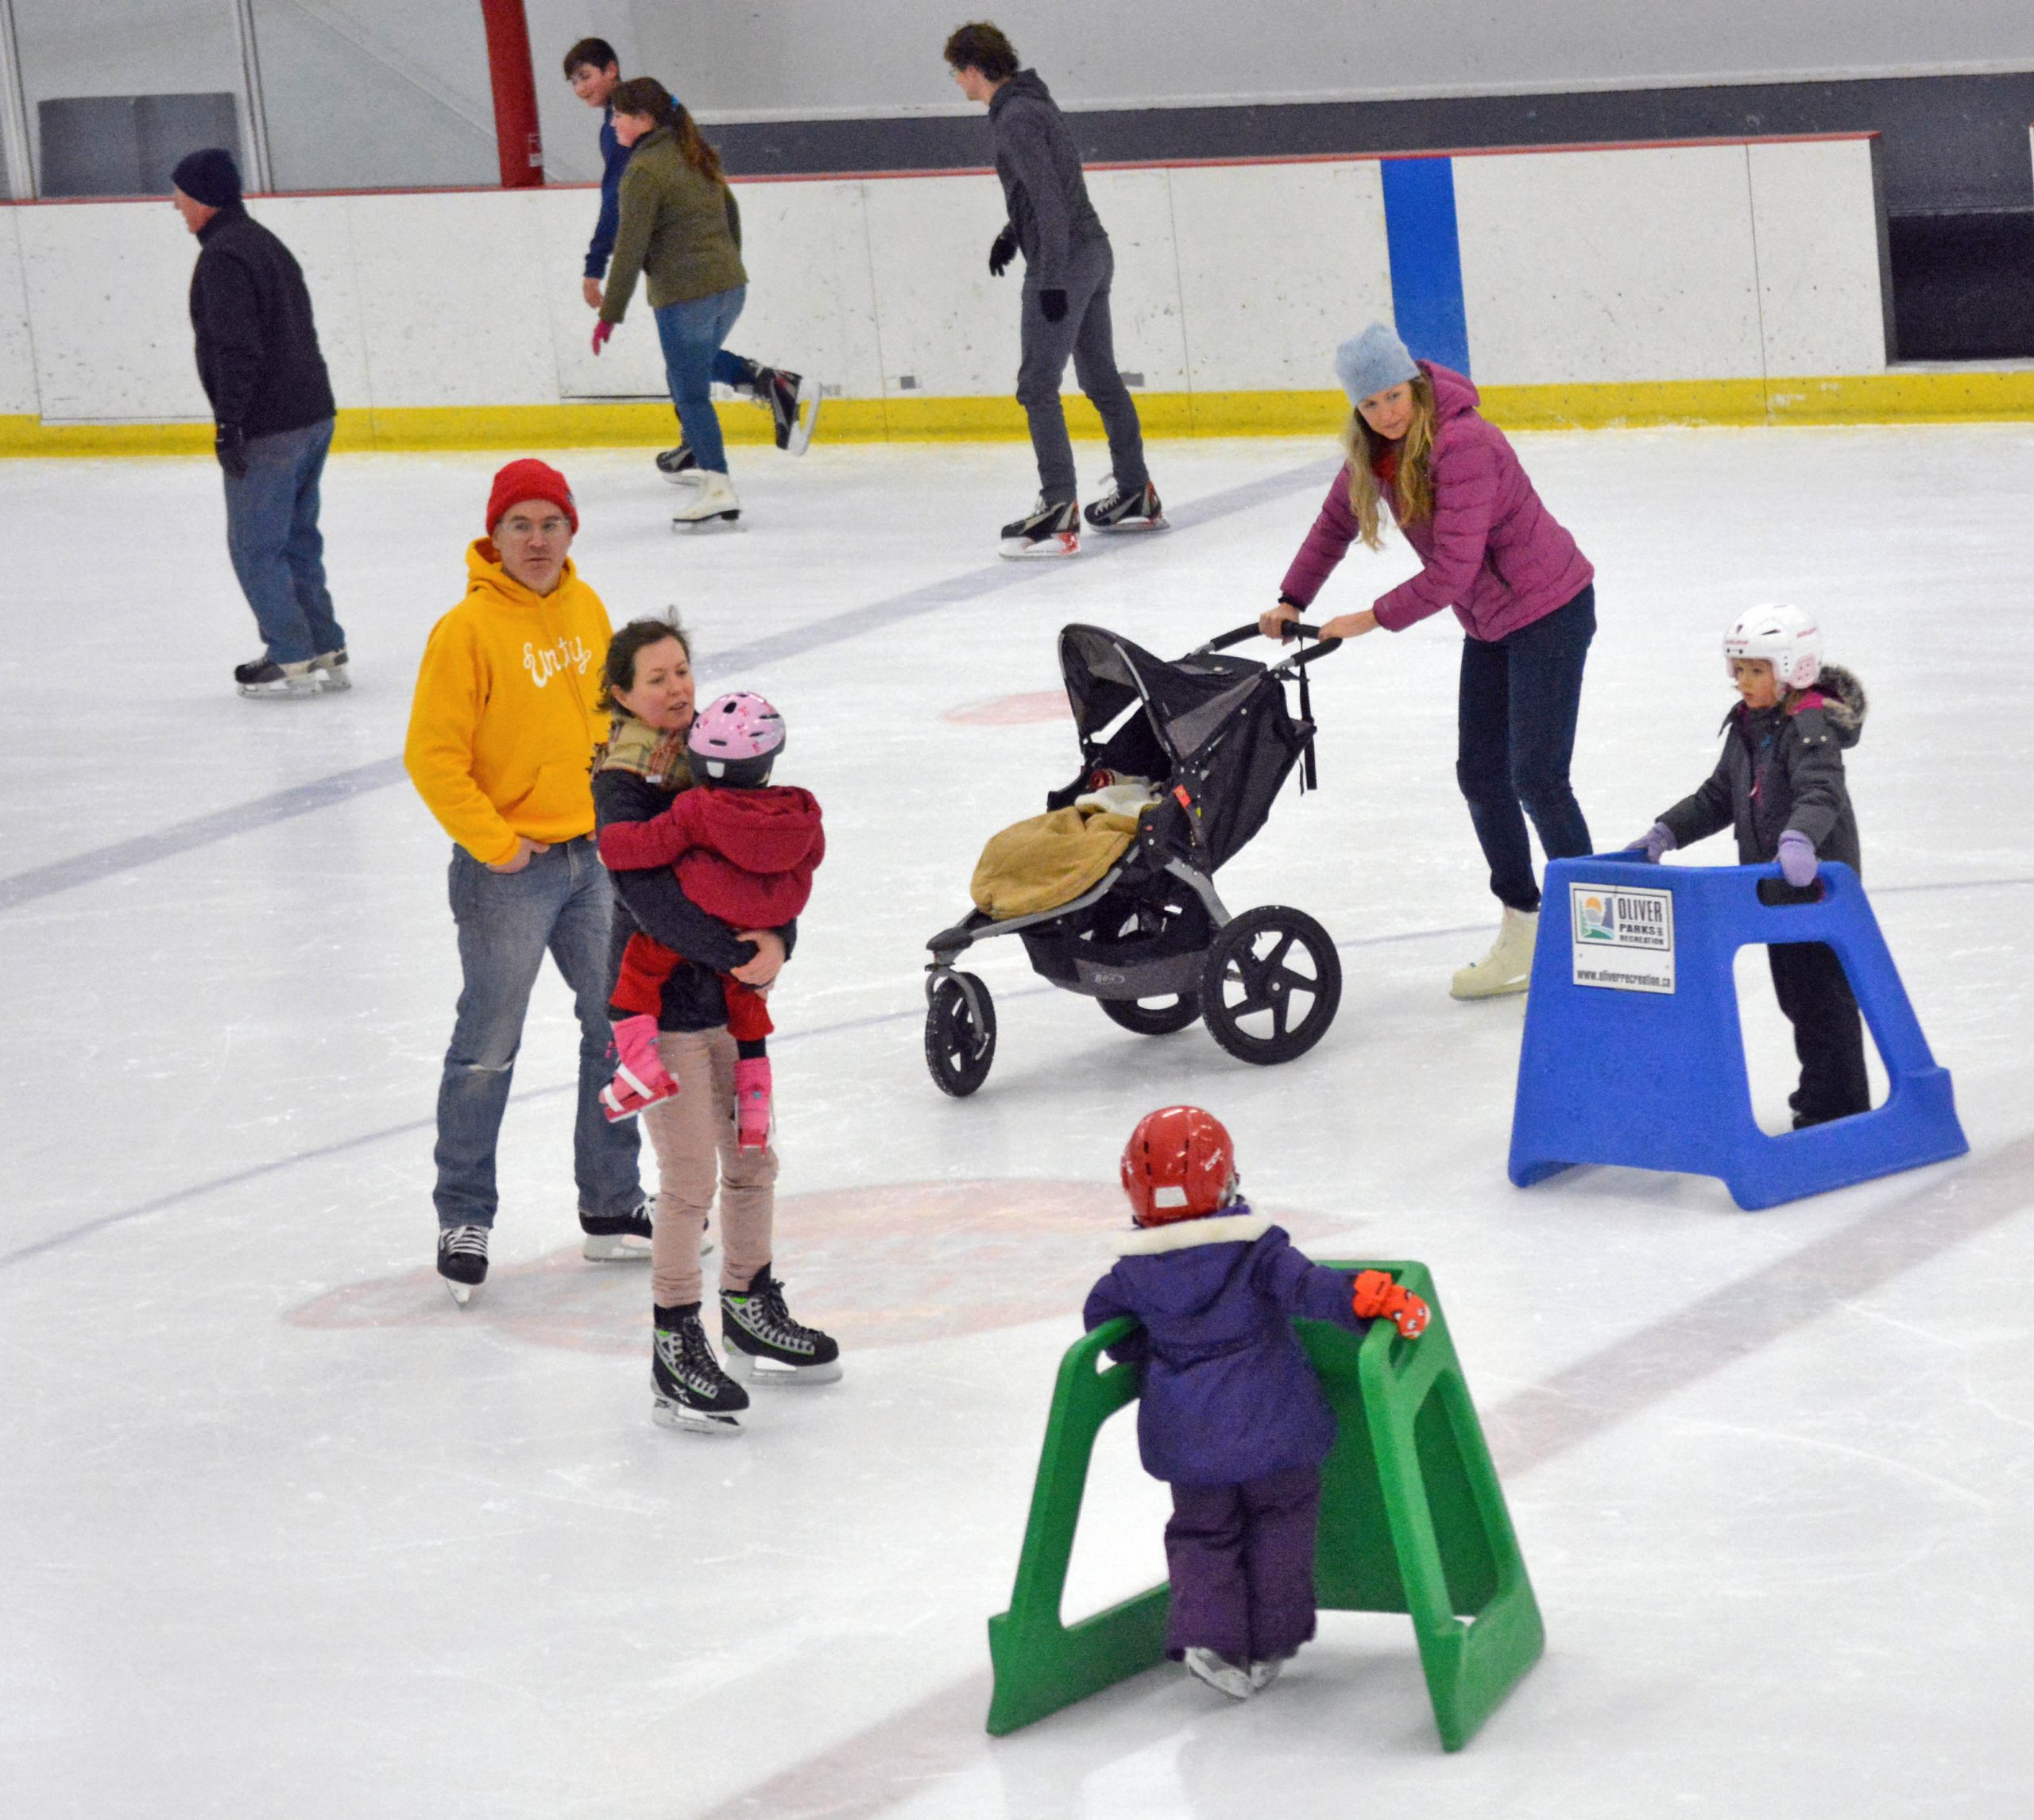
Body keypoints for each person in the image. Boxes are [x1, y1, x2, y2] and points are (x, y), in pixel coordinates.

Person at [1260, 321, 1598, 999]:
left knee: (1537, 776)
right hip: (1493, 621)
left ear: (1414, 383)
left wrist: (1366, 619)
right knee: (1480, 773)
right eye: (1370, 403)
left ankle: (1599, 932)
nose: (1386, 413)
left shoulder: (1464, 442)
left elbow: (1452, 571)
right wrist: (1292, 598)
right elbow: (1334, 523)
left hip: (1551, 609)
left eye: (1394, 396)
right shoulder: (1374, 454)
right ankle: (1525, 923)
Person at [404, 459, 651, 1306]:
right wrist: (497, 844)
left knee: (616, 1029)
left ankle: (613, 1203)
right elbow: (431, 757)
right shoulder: (465, 631)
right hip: (508, 873)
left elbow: (613, 717)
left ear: (571, 530)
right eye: (521, 525)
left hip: (595, 860)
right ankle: (463, 1213)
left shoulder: (587, 608)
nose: (538, 540)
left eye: (551, 523)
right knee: (487, 1045)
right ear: (494, 536)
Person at [1083, 1107, 1429, 1699]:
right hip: (1274, 1430)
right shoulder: (1256, 1251)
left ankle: (1208, 1637)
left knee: (1201, 1530)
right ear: (1227, 1180)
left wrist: (1155, 1351)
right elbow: (1312, 1289)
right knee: (1281, 1522)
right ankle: (1270, 1639)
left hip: (1188, 1439)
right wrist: (1370, 1297)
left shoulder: (1131, 1273)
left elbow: (1106, 1325)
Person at [592, 618, 841, 1434]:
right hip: (663, 1011)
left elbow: (768, 869)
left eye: (681, 672)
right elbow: (648, 899)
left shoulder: (720, 757)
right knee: (690, 1177)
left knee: (753, 1161)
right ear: (621, 693)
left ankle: (748, 1299)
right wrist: (738, 954)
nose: (675, 688)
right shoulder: (622, 783)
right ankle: (675, 1339)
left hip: (730, 1006)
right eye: (655, 677)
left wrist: (778, 941)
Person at [1630, 604, 1872, 1127]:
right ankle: (1824, 1097)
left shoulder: (1811, 726)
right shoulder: (1748, 725)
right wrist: (1666, 832)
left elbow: (1820, 792)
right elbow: (1720, 796)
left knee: (1823, 1000)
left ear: (1791, 670)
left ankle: (1840, 1106)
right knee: (1797, 998)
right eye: (1738, 669)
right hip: (1775, 888)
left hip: (1817, 888)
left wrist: (1800, 839)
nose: (1743, 681)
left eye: (1756, 671)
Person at [943, 21, 1162, 558]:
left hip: (1063, 259)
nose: (957, 83)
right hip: (1093, 249)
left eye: (957, 73)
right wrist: (1010, 233)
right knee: (1099, 376)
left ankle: (1058, 507)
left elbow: (1048, 198)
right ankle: (1136, 493)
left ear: (974, 70)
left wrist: (1053, 277)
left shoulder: (1014, 116)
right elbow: (1050, 187)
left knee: (1037, 385)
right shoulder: (1033, 102)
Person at [564, 41, 819, 489]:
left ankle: (722, 459)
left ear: (612, 71)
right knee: (689, 361)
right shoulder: (672, 127)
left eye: (585, 76)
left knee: (686, 370)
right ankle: (756, 398)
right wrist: (726, 263)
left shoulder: (626, 133)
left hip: (685, 284)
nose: (579, 88)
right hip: (720, 279)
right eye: (573, 81)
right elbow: (726, 202)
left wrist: (596, 268)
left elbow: (620, 212)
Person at [596, 690, 823, 1152]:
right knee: (749, 1003)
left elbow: (640, 849)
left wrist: (612, 844)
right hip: (761, 923)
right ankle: (754, 1111)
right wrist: (772, 934)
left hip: (703, 918)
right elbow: (811, 857)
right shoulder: (799, 812)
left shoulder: (696, 809)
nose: (676, 686)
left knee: (638, 965)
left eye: (681, 672)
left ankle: (639, 1068)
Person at [172, 147, 347, 700]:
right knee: (297, 539)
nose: (175, 205)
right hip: (311, 413)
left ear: (202, 198)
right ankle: (325, 646)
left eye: (180, 194)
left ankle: (290, 654)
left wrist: (230, 423)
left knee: (255, 546)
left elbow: (236, 349)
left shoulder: (224, 258)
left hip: (269, 424)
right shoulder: (265, 243)